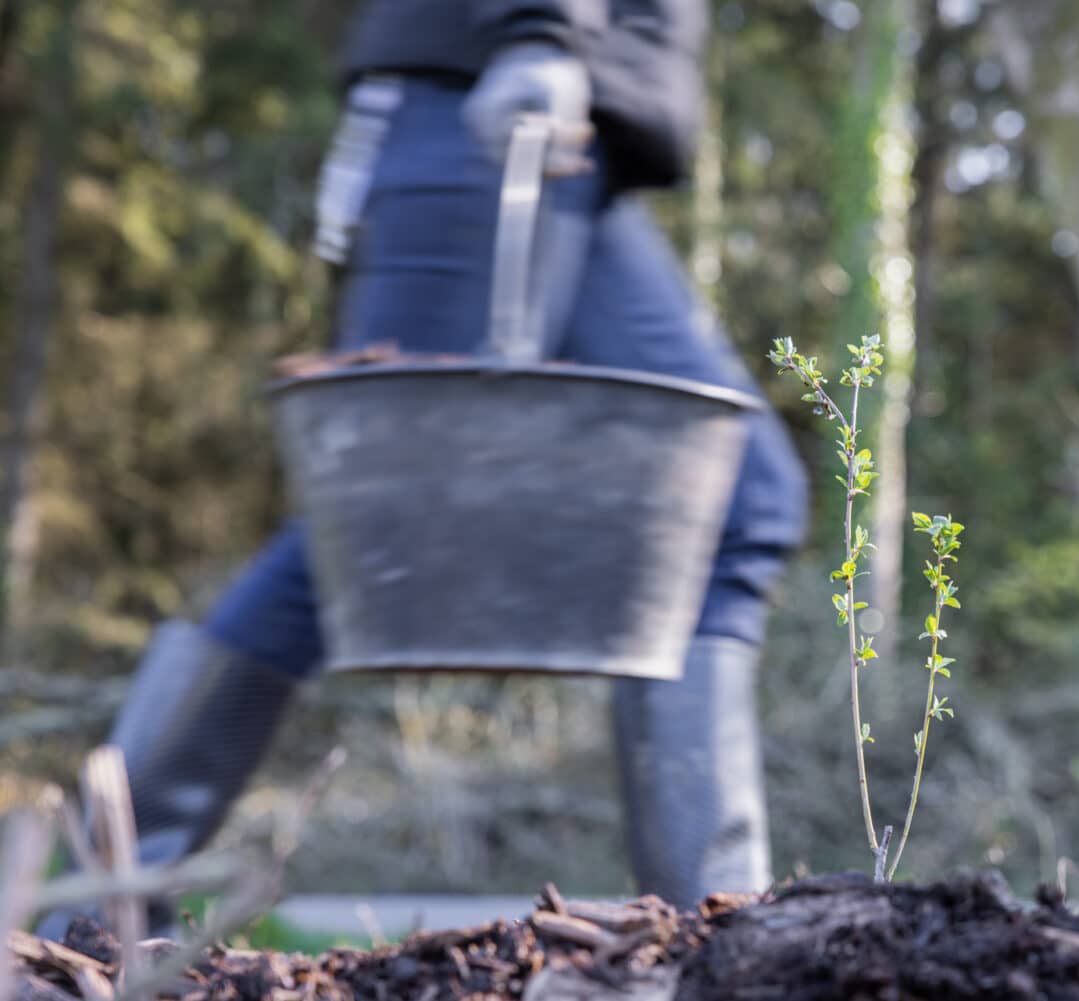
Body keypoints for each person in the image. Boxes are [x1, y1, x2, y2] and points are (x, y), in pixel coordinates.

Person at [38, 0, 807, 939]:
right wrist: (537, 29)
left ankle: (720, 929)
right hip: (492, 102)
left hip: (569, 143)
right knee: (379, 507)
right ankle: (94, 899)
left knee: (733, 492)